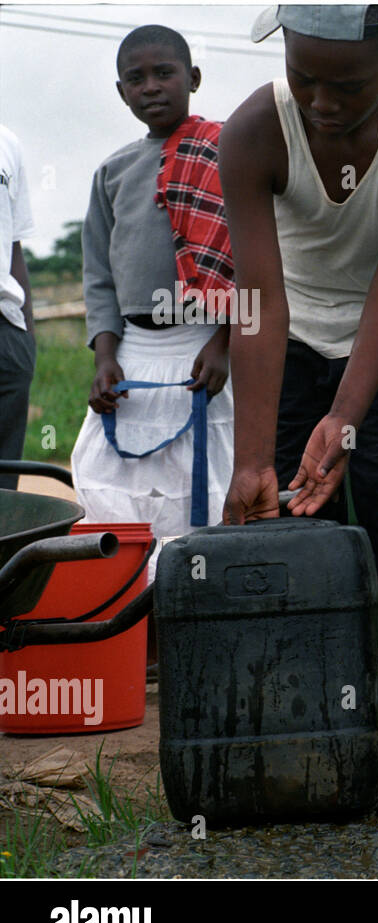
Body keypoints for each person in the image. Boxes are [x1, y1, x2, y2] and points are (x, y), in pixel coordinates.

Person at [219, 4, 378, 791]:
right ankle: (300, 710)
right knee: (281, 518)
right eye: (303, 76)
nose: (321, 102)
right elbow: (258, 295)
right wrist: (252, 456)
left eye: (346, 85)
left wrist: (346, 417)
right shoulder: (256, 130)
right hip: (284, 334)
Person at [71, 25, 234, 545]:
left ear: (194, 78)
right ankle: (137, 607)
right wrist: (105, 357)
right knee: (116, 488)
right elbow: (99, 277)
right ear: (121, 92)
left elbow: (252, 260)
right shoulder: (111, 172)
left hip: (204, 349)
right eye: (135, 79)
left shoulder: (229, 154)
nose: (151, 87)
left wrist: (223, 342)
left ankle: (196, 598)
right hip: (134, 355)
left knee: (206, 489)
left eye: (164, 73)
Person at [0, 125, 36, 492]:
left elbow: (13, 246)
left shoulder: (7, 143)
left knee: (3, 489)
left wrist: (27, 341)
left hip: (6, 332)